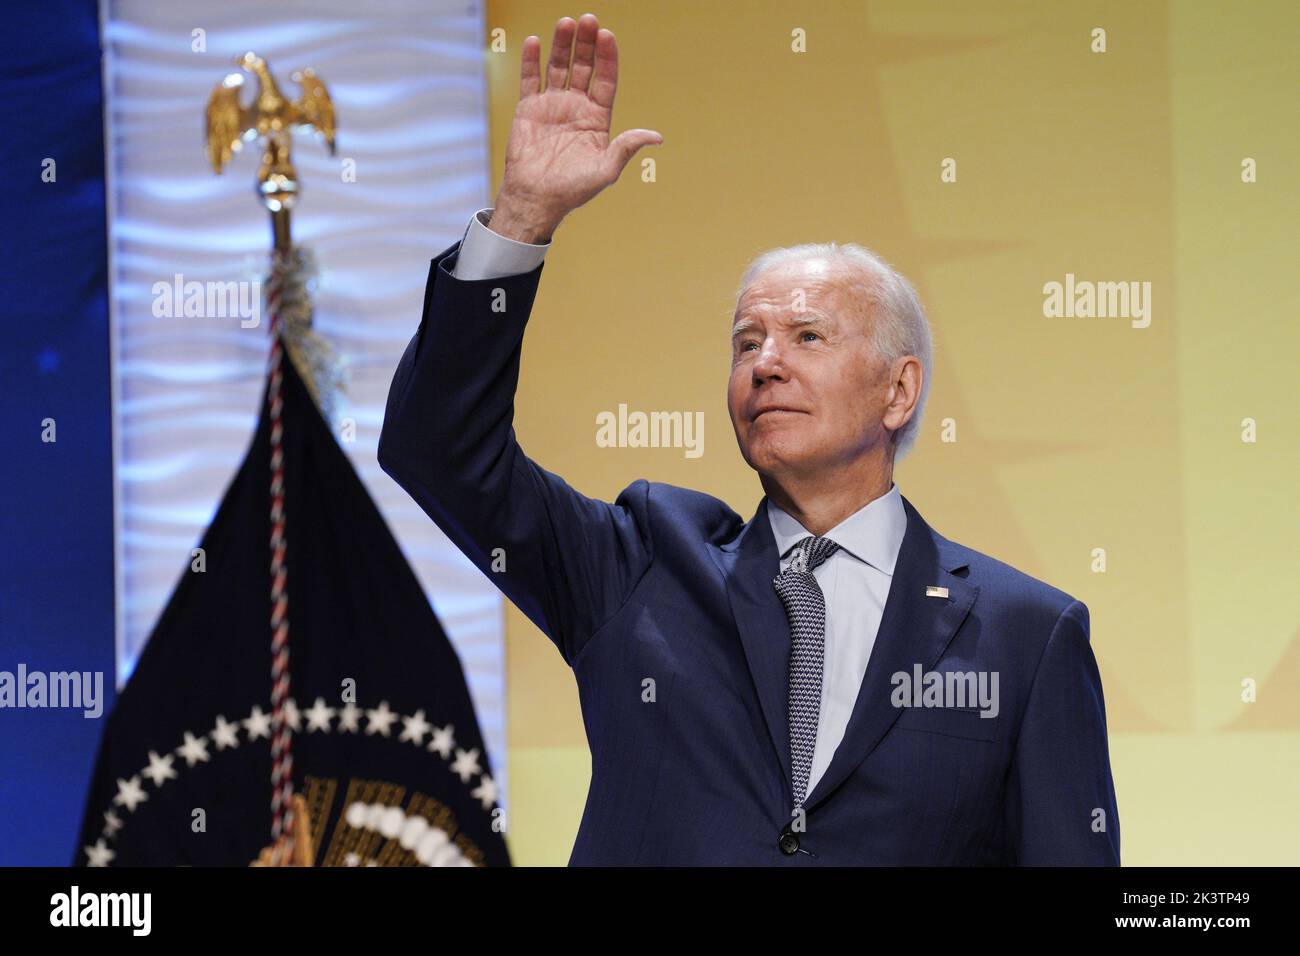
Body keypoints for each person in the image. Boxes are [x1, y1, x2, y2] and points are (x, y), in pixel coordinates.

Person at [379, 13, 1120, 865]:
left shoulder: (1025, 634)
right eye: (745, 342)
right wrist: (522, 218)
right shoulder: (641, 567)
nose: (765, 364)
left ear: (898, 388)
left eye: (808, 337)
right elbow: (436, 448)